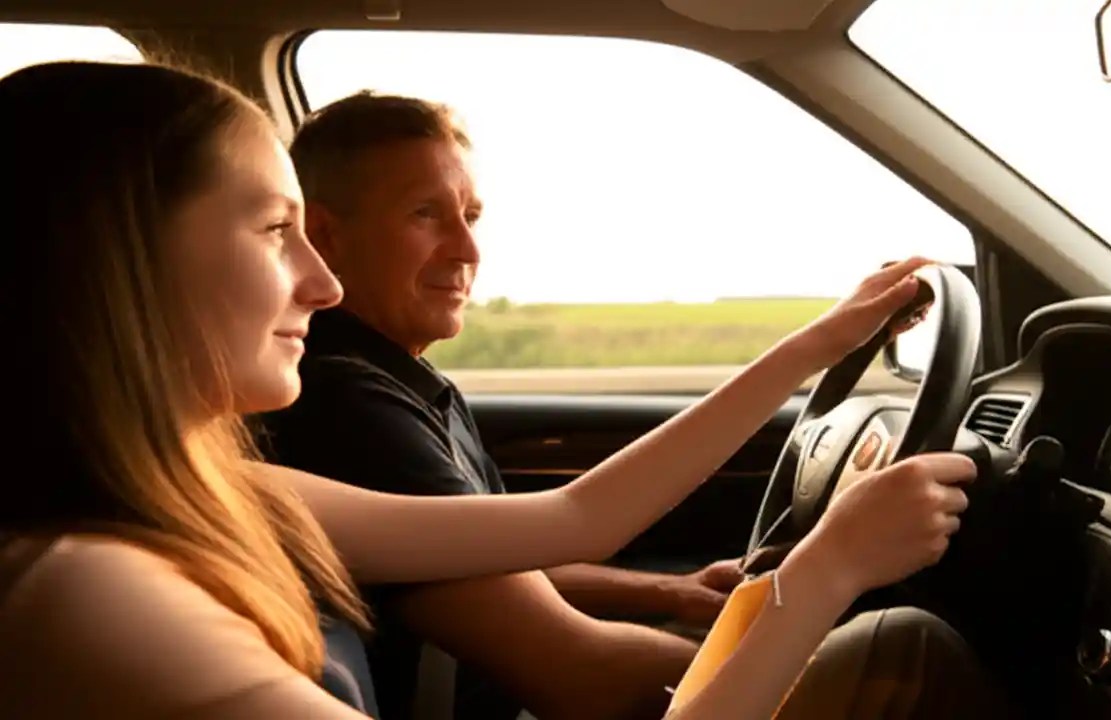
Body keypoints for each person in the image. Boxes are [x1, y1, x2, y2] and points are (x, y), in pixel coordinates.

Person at [0, 60, 999, 719]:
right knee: (913, 655)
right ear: (122, 265)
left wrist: (821, 339)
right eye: (274, 231)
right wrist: (819, 576)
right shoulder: (93, 594)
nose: (323, 281)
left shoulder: (225, 493)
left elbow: (578, 514)